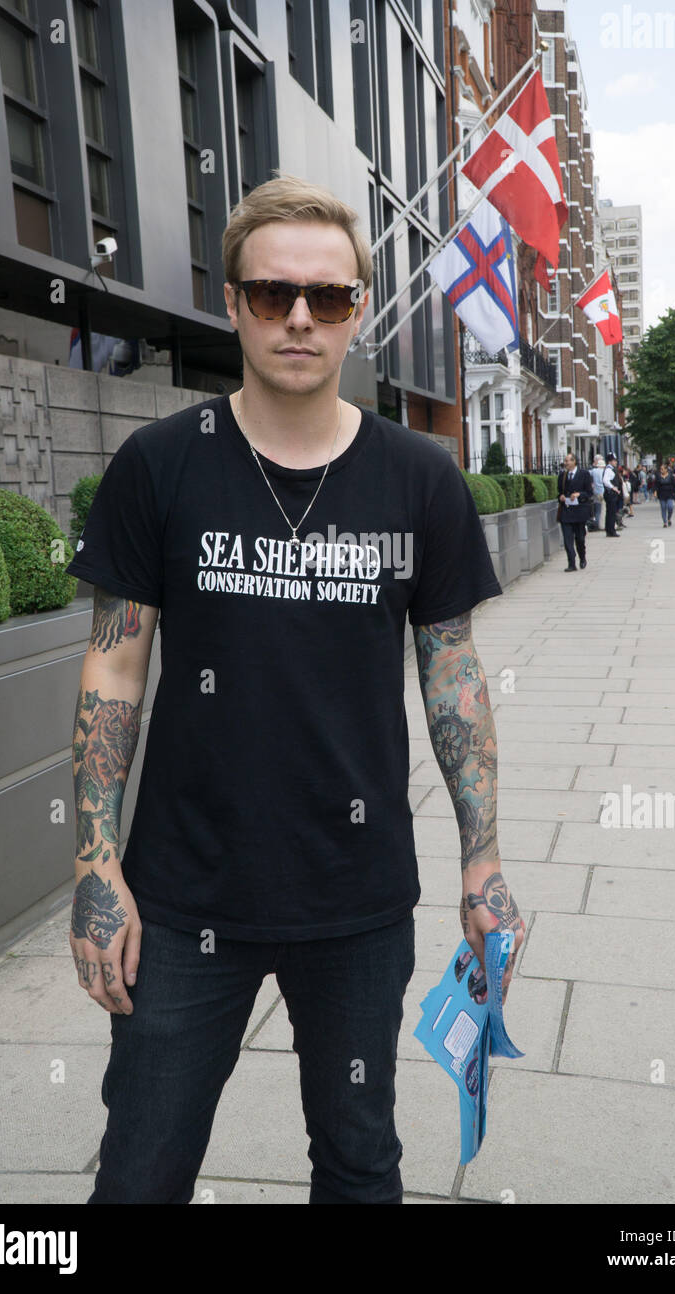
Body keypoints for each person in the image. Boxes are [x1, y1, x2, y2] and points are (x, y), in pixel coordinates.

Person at [64, 173, 525, 1205]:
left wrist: (482, 864)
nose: (301, 317)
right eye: (272, 294)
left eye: (329, 296)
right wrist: (96, 864)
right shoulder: (160, 466)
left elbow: (450, 672)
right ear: (231, 301)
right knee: (139, 1168)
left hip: (355, 897)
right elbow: (115, 662)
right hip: (180, 900)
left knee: (360, 1163)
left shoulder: (419, 476)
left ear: (359, 309)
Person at [557, 452, 594, 570]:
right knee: (568, 540)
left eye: (568, 461)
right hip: (566, 512)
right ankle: (571, 563)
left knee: (580, 539)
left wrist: (579, 494)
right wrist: (561, 497)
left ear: (574, 462)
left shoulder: (584, 474)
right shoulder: (562, 476)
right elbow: (559, 493)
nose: (566, 463)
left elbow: (589, 493)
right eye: (565, 461)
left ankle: (582, 557)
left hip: (579, 512)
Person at [655, 462, 675, 526]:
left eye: (662, 469)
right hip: (661, 494)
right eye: (660, 469)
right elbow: (656, 485)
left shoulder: (671, 476)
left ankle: (669, 518)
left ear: (666, 470)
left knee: (670, 507)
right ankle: (665, 522)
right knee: (663, 508)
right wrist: (655, 492)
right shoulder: (658, 476)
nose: (661, 470)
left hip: (670, 494)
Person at [589, 455, 605, 530]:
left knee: (597, 509)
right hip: (604, 492)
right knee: (604, 509)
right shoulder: (605, 471)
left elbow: (587, 473)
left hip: (596, 492)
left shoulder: (594, 471)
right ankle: (602, 525)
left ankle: (597, 524)